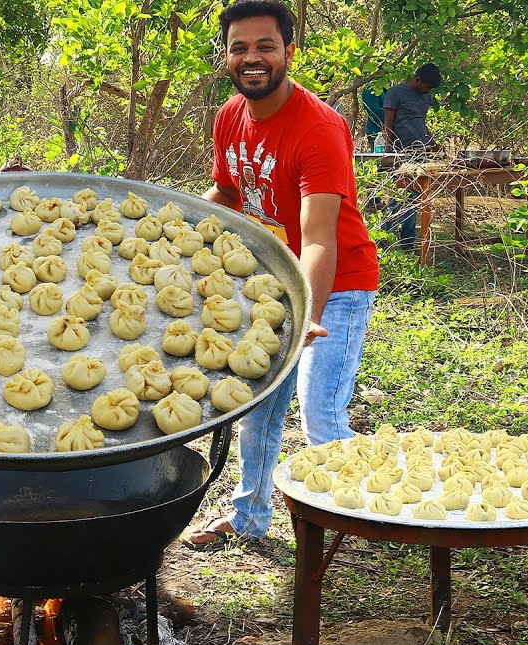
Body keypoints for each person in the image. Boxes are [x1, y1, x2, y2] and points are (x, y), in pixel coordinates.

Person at [185, 0, 379, 549]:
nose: (252, 58)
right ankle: (249, 517)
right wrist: (173, 227)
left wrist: (309, 320)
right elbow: (228, 191)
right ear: (226, 56)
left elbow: (318, 237)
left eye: (265, 46)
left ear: (288, 51)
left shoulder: (320, 128)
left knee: (320, 409)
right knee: (259, 406)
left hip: (335, 285)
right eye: (239, 48)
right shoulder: (230, 116)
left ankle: (353, 515)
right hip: (268, 286)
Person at [382, 64, 442, 251]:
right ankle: (385, 243)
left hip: (420, 154)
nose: (427, 91)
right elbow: (388, 125)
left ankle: (407, 245)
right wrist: (389, 152)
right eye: (427, 87)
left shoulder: (426, 97)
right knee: (396, 200)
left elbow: (421, 123)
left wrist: (433, 143)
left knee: (414, 201)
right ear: (417, 81)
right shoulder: (395, 93)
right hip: (400, 153)